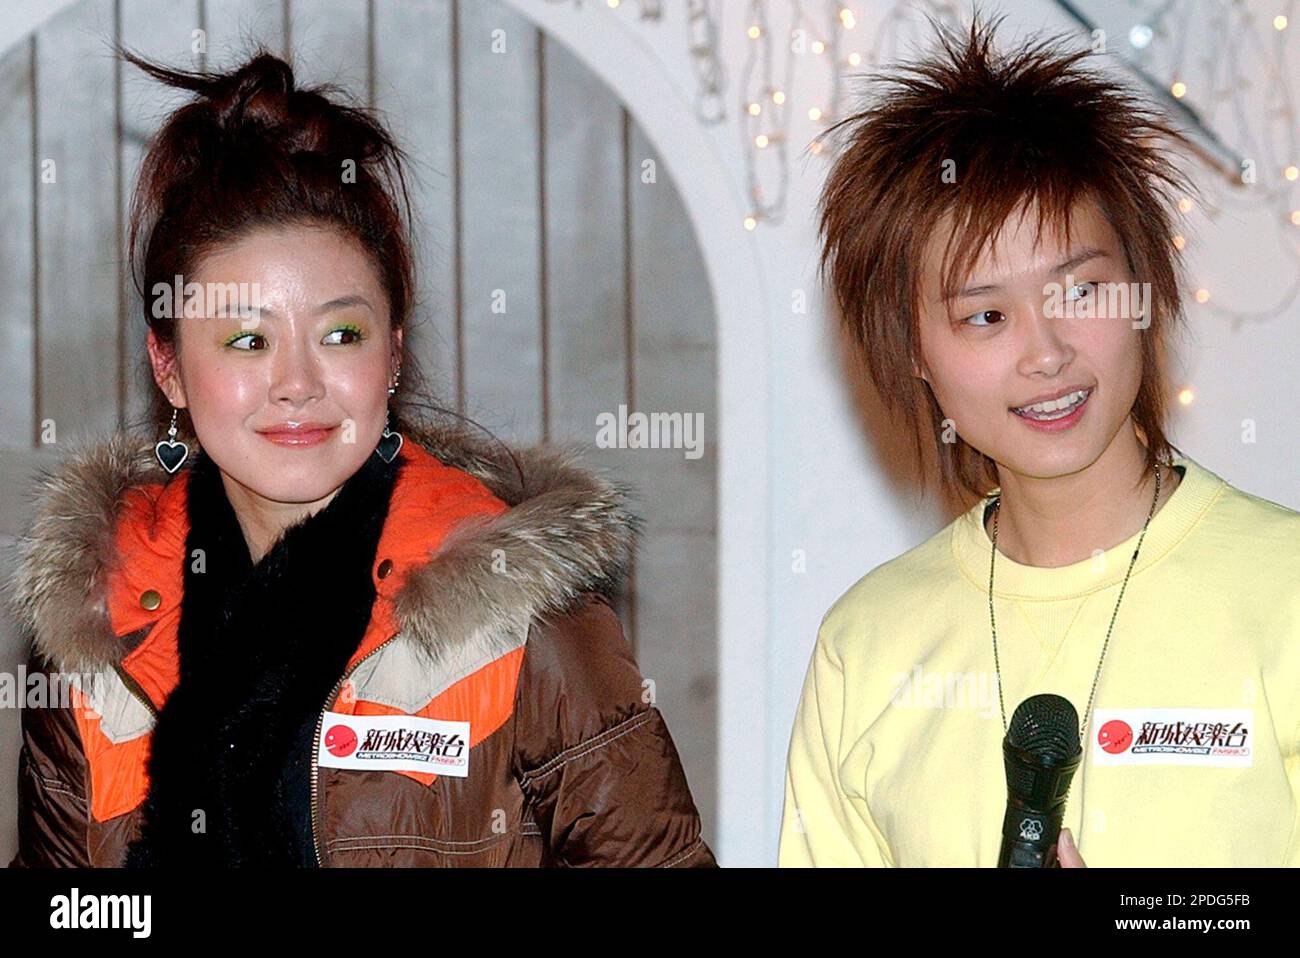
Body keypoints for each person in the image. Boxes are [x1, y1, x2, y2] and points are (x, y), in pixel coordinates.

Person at [8, 48, 715, 868]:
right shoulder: (97, 618)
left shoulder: (522, 610)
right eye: (247, 340)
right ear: (169, 366)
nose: (297, 384)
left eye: (341, 334)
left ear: (394, 352)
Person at [779, 15, 1300, 867]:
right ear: (913, 350)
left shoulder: (1285, 593)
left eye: (1081, 291)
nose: (1047, 352)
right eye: (985, 316)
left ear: (1145, 291)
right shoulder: (866, 644)